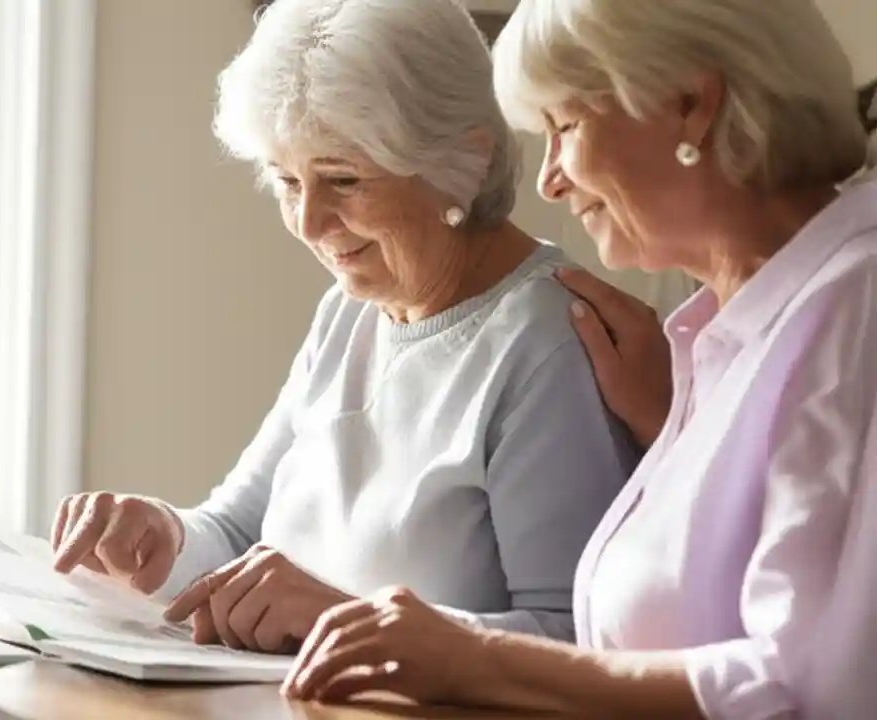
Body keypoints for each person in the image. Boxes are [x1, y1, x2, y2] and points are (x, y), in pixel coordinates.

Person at [283, 1, 877, 716]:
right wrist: (672, 426)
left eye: (565, 127)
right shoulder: (721, 341)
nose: (550, 181)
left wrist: (470, 657)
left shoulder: (855, 307)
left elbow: (808, 687)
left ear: (691, 106)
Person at [48, 0, 638, 653]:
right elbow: (239, 530)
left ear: (462, 165)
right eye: (286, 180)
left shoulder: (549, 338)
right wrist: (158, 537)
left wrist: (339, 618)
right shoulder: (349, 313)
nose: (307, 221)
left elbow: (577, 641)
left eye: (342, 180)